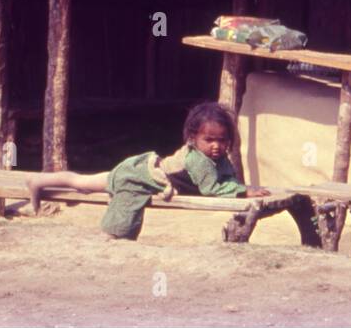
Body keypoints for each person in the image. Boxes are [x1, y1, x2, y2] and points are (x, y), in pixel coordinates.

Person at [25, 102, 270, 240]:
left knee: (84, 182)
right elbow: (211, 188)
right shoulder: (197, 160)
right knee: (83, 185)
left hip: (142, 169)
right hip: (139, 177)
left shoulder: (217, 157)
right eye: (209, 139)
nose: (216, 145)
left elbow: (226, 176)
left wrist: (241, 188)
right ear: (194, 138)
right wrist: (243, 192)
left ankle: (39, 181)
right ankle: (38, 182)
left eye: (222, 140)